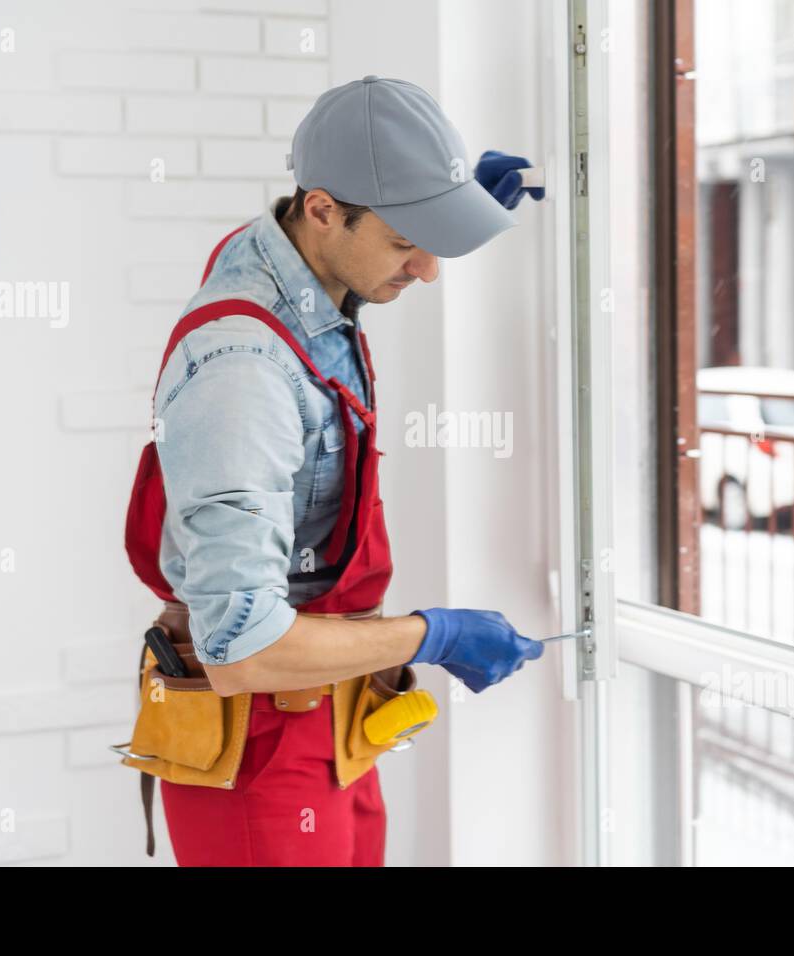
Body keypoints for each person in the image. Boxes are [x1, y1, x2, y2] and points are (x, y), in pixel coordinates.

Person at [143, 75, 546, 866]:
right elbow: (242, 648)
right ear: (322, 209)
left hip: (334, 721)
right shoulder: (241, 370)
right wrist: (436, 635)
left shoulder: (292, 256)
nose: (427, 270)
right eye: (406, 244)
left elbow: (363, 252)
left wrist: (452, 208)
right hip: (256, 749)